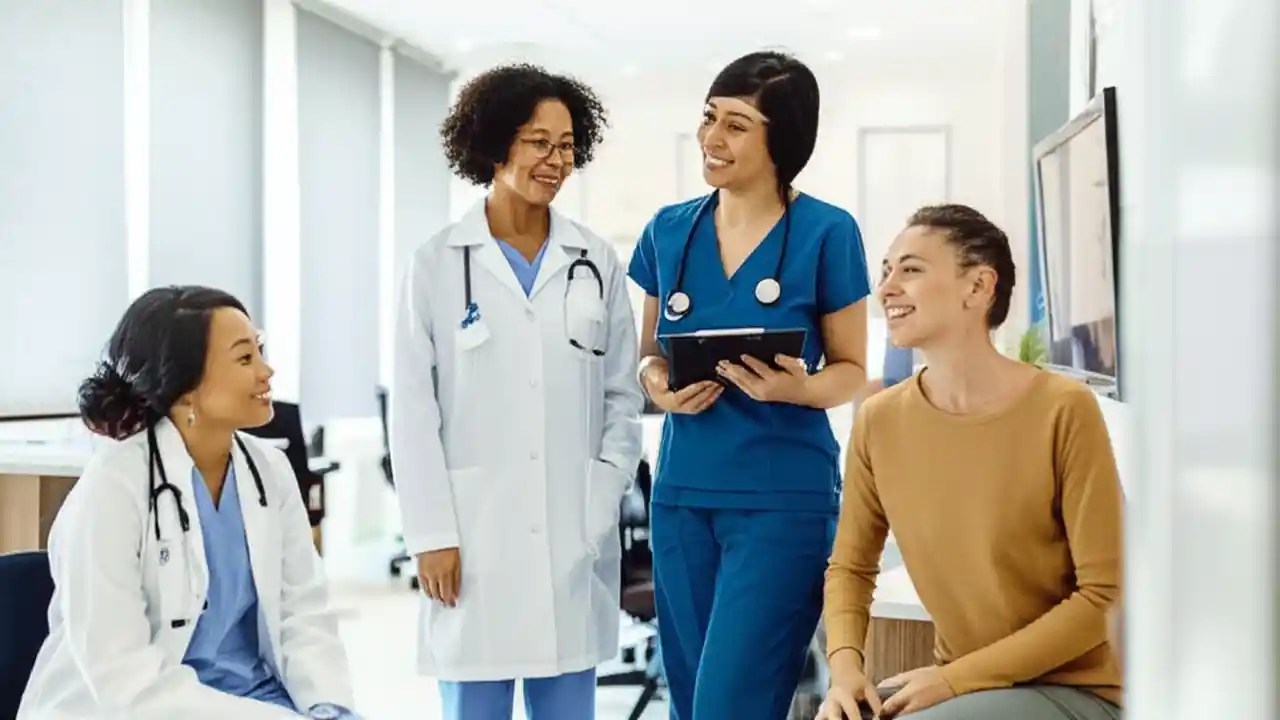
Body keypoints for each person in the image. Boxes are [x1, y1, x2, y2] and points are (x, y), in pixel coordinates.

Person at [389, 63, 643, 720]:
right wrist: (430, 534)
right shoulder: (439, 263)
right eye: (538, 142)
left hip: (573, 531)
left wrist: (602, 492)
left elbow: (622, 397)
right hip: (475, 539)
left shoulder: (595, 261)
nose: (556, 160)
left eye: (566, 145)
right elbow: (414, 412)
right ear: (495, 143)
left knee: (568, 705)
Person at [627, 50, 871, 719]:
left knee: (728, 706)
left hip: (781, 500)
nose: (712, 137)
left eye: (736, 124)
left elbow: (851, 370)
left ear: (781, 139)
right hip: (681, 499)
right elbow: (647, 357)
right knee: (689, 703)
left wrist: (793, 389)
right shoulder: (669, 231)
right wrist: (660, 386)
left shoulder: (826, 232)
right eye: (709, 118)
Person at [820, 205, 1124, 719]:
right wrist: (846, 673)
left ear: (979, 287)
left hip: (1076, 690)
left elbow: (1103, 598)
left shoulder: (1063, 409)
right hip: (962, 688)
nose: (887, 288)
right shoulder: (879, 421)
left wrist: (953, 680)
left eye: (911, 269)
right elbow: (850, 567)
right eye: (886, 271)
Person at [18, 286, 357, 720]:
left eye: (260, 350)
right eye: (244, 358)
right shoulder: (114, 488)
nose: (266, 371)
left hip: (257, 699)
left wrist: (328, 706)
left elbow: (304, 613)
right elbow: (125, 680)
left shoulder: (269, 470)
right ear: (185, 390)